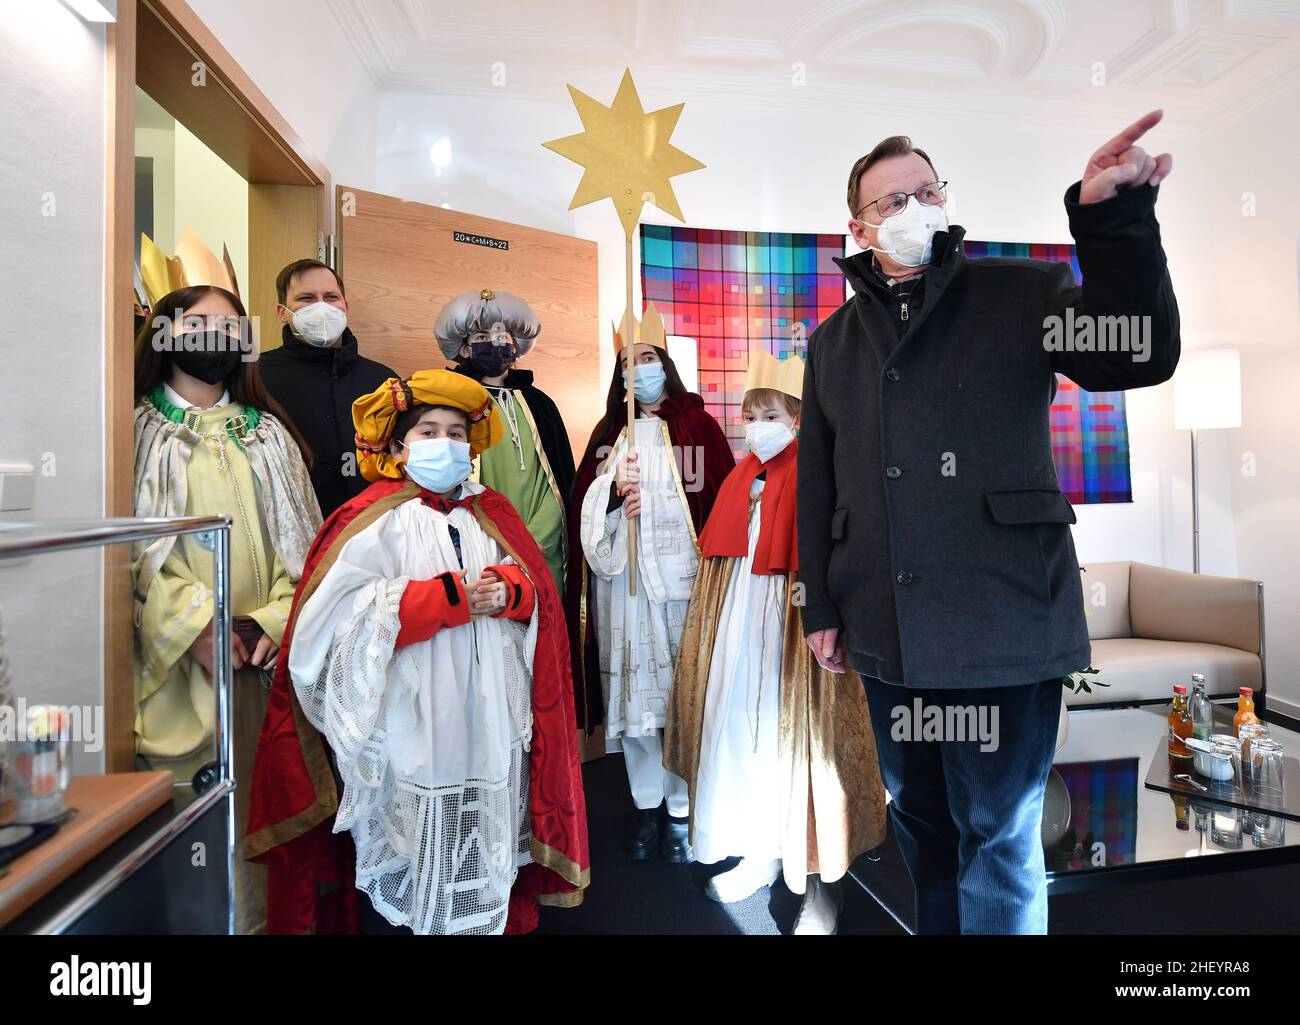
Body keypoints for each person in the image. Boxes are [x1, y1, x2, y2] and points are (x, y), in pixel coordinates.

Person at [798, 112, 1180, 934]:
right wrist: (820, 608)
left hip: (1003, 623)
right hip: (886, 628)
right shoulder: (832, 343)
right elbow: (818, 480)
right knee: (923, 825)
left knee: (1000, 838)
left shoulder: (1020, 291)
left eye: (926, 190)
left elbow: (1137, 350)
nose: (914, 206)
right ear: (859, 227)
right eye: (892, 198)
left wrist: (1112, 219)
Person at [244, 369, 589, 935]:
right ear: (399, 449)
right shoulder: (374, 519)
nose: (445, 443)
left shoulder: (493, 511)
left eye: (456, 432)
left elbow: (541, 595)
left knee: (483, 830)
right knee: (416, 832)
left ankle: (483, 914)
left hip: (491, 712)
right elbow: (328, 627)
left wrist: (515, 591)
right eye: (428, 431)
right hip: (415, 715)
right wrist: (445, 599)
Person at [664, 349, 886, 934]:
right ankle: (761, 852)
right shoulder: (742, 474)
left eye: (770, 415)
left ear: (797, 416)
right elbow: (725, 555)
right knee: (744, 737)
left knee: (804, 752)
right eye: (751, 415)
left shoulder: (821, 471)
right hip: (743, 629)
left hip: (797, 633)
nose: (757, 427)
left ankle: (819, 885)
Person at [132, 284, 322, 935]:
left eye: (231, 324)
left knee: (261, 817)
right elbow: (129, 556)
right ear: (164, 333)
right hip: (182, 666)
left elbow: (303, 542)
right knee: (191, 822)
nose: (218, 334)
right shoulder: (140, 432)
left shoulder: (267, 434)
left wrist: (272, 619)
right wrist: (197, 626)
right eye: (200, 322)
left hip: (262, 664)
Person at [569, 310, 734, 862]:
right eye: (626, 362)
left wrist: (660, 500)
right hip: (626, 587)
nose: (638, 370)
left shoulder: (699, 426)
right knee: (636, 702)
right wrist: (614, 496)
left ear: (665, 364)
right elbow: (584, 507)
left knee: (683, 700)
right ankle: (645, 804)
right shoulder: (607, 434)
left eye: (646, 358)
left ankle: (684, 809)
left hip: (683, 586)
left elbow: (717, 500)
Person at [437, 288, 575, 595]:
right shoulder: (452, 404)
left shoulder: (540, 405)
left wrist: (533, 538)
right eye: (482, 337)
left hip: (541, 545)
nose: (495, 344)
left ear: (515, 347)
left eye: (503, 336)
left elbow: (558, 483)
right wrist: (501, 538)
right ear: (464, 350)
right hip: (483, 540)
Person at [258, 259, 398, 517]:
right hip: (291, 528)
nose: (321, 307)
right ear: (282, 312)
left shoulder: (383, 380)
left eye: (331, 297)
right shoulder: (256, 375)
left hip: (373, 527)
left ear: (345, 307)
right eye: (306, 299)